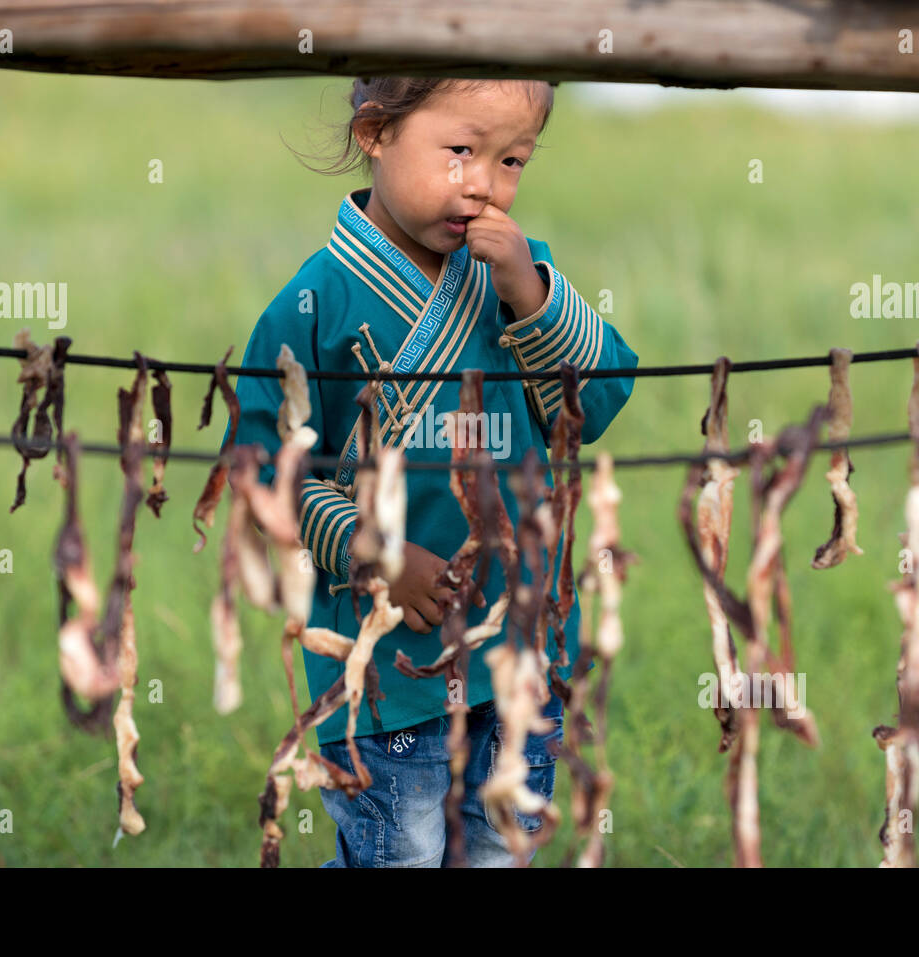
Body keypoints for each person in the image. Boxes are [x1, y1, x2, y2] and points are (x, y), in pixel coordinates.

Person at [223, 77, 638, 866]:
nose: (485, 182)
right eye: (460, 151)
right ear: (376, 133)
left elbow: (598, 404)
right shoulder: (315, 303)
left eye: (511, 159)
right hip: (389, 672)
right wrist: (372, 550)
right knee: (399, 852)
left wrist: (532, 295)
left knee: (498, 844)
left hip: (522, 644)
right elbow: (260, 471)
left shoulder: (519, 275)